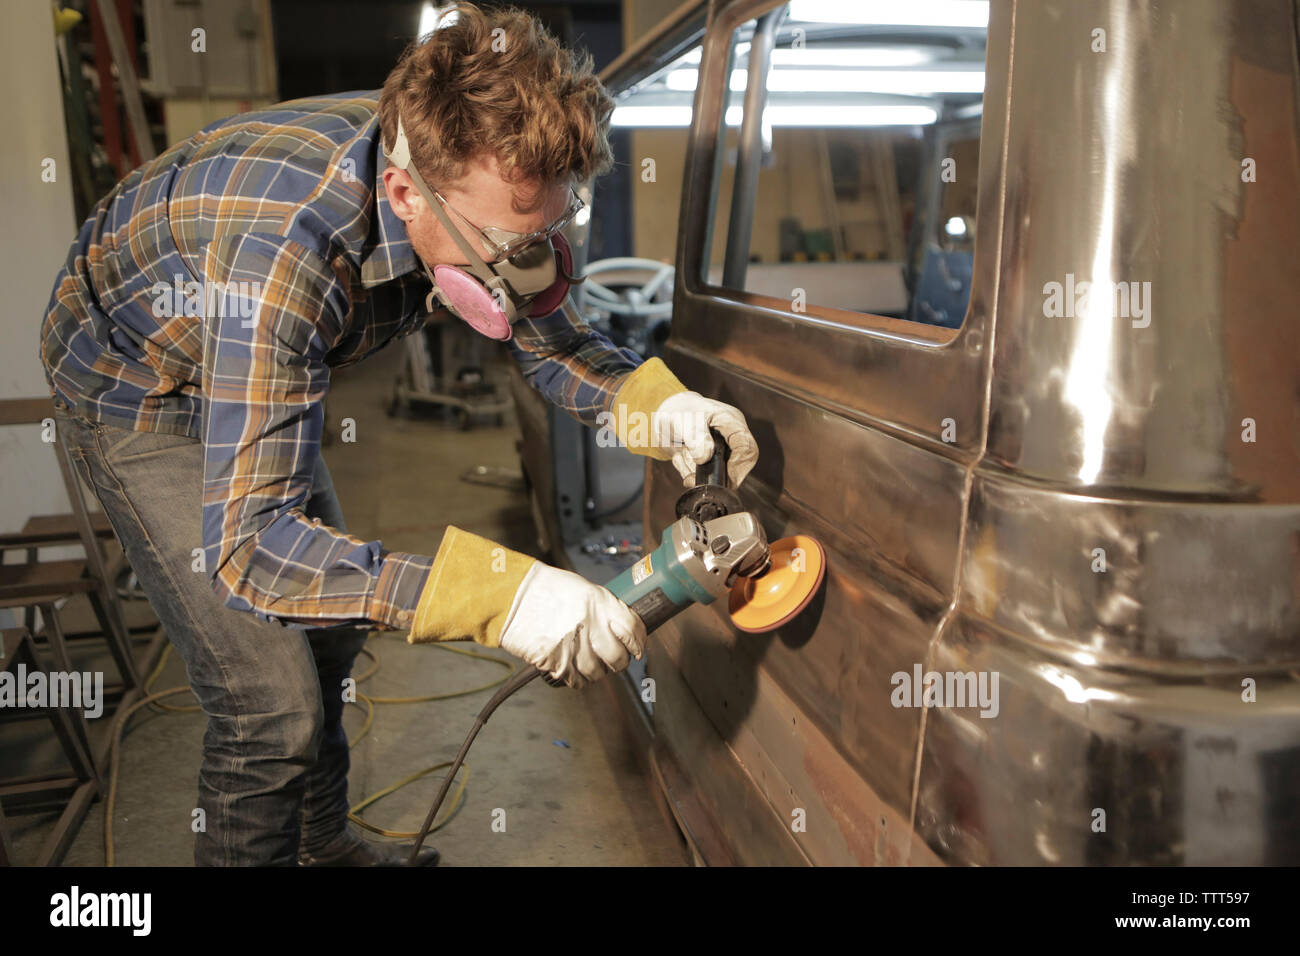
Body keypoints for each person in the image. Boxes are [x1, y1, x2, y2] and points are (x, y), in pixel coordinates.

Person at [38, 2, 757, 866]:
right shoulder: (285, 254)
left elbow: (548, 338)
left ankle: (323, 844)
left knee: (332, 631)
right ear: (406, 192)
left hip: (244, 340)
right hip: (137, 381)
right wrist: (506, 597)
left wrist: (660, 405)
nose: (530, 268)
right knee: (272, 706)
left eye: (550, 237)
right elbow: (253, 551)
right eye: (508, 246)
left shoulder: (467, 183)